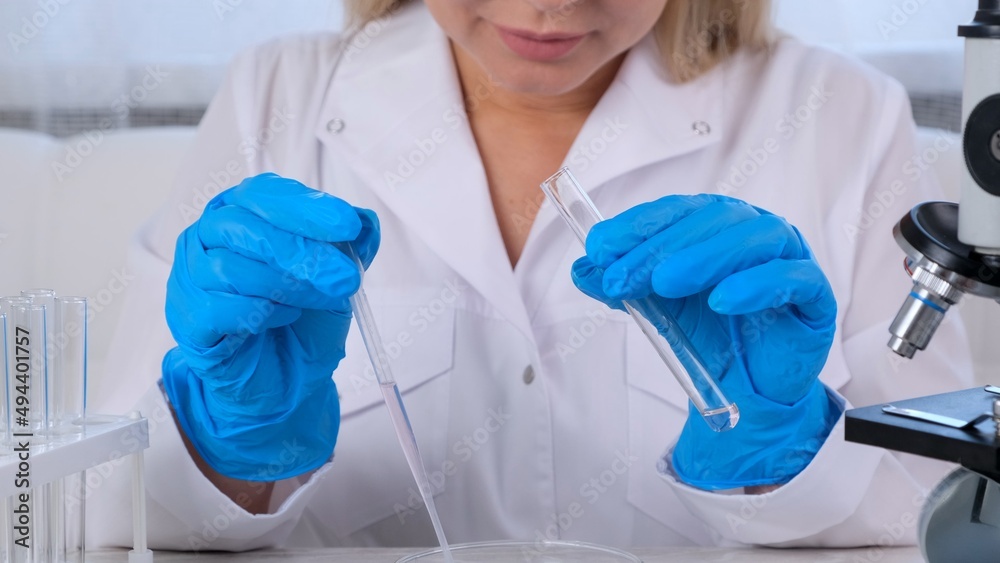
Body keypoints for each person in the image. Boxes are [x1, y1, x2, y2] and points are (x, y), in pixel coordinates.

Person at [91, 0, 973, 551]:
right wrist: (225, 446)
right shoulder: (275, 94)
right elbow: (100, 508)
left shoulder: (839, 115)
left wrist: (784, 457)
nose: (549, 6)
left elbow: (940, 512)